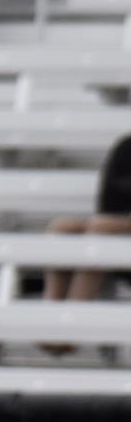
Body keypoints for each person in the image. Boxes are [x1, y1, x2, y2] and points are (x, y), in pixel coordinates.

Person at [39, 134, 131, 354]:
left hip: (113, 230)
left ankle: (70, 326)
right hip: (116, 229)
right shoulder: (126, 148)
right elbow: (107, 203)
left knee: (101, 230)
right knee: (60, 228)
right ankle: (50, 321)